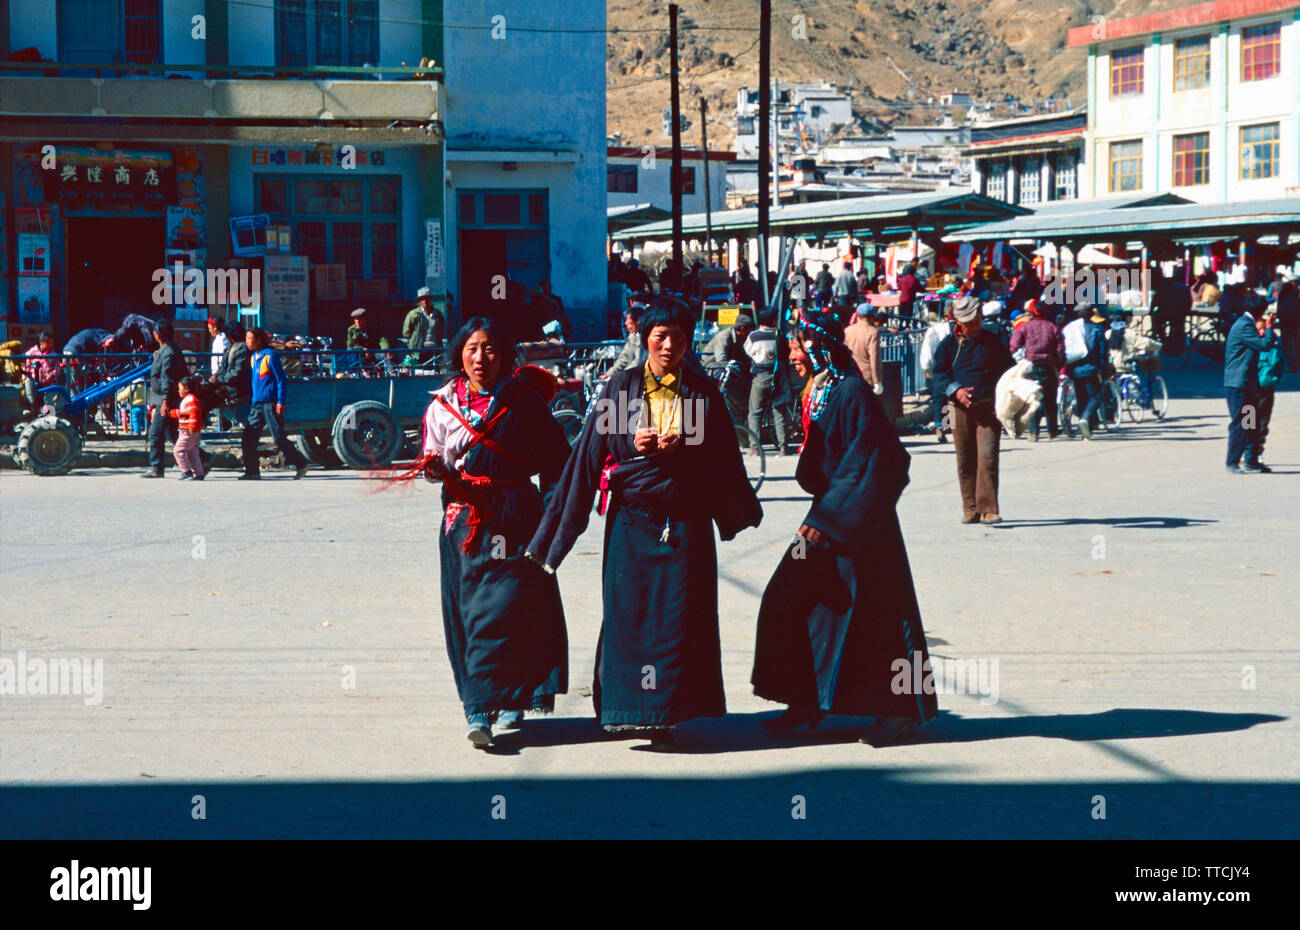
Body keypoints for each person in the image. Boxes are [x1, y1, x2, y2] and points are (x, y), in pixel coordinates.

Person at [527, 297, 763, 748]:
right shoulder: (621, 389)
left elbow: (723, 462)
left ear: (690, 339)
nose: (669, 344)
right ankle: (627, 710)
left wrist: (688, 455)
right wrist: (632, 443)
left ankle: (667, 714)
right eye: (660, 336)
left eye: (678, 336)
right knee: (629, 618)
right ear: (644, 339)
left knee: (677, 620)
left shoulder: (701, 392)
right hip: (632, 525)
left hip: (684, 523)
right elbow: (590, 458)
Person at [751, 307, 938, 745]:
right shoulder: (824, 391)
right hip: (830, 513)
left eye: (798, 346)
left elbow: (877, 460)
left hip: (860, 523)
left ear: (817, 347)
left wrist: (828, 519)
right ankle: (807, 699)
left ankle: (899, 710)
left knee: (881, 618)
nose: (792, 354)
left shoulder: (852, 393)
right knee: (795, 599)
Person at [405, 318, 572, 746]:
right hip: (466, 520)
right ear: (459, 354)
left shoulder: (525, 403)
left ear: (506, 355)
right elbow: (432, 460)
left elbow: (559, 460)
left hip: (516, 515)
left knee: (511, 610)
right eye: (472, 349)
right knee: (471, 612)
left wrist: (553, 517)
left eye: (491, 348)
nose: (481, 358)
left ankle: (511, 700)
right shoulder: (442, 406)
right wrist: (435, 471)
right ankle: (477, 708)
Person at [932, 296, 1014, 523]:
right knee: (964, 460)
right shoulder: (947, 345)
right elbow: (938, 376)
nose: (974, 324)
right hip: (956, 410)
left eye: (976, 318)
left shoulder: (992, 341)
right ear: (958, 322)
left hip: (988, 410)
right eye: (968, 321)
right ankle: (970, 509)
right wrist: (955, 390)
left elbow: (1008, 369)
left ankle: (989, 509)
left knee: (987, 458)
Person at [240, 327, 309, 480]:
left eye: (249, 338)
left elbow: (281, 380)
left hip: (270, 404)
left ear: (258, 340)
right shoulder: (253, 357)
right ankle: (252, 471)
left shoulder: (270, 356)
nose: (247, 341)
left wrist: (280, 400)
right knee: (248, 437)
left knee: (278, 438)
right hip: (257, 404)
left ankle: (301, 464)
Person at [1223, 297, 1279, 475]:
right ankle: (1232, 461)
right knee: (1240, 424)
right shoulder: (1244, 325)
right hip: (1238, 383)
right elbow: (1264, 345)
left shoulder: (1246, 323)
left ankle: (1251, 460)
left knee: (1251, 423)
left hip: (1247, 383)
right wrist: (1269, 327)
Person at [1008, 298, 1066, 441]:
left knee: (1032, 399)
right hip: (1048, 367)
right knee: (1050, 400)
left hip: (1030, 368)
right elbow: (1060, 350)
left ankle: (1033, 433)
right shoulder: (1052, 327)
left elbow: (1013, 345)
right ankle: (1052, 430)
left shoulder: (1024, 327)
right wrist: (1058, 365)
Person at [140, 320, 189, 478]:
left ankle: (157, 468)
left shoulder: (168, 352)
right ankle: (203, 459)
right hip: (165, 398)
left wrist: (166, 401)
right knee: (173, 434)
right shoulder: (165, 350)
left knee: (155, 433)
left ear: (157, 334)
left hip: (166, 399)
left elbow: (167, 378)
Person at [744, 309, 792, 455]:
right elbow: (785, 353)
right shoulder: (780, 335)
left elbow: (748, 352)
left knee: (755, 412)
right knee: (779, 411)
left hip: (760, 376)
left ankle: (755, 446)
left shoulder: (753, 336)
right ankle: (783, 446)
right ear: (772, 320)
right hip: (778, 376)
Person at [1063, 305, 1111, 440]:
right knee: (1095, 396)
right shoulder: (1097, 328)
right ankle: (1085, 419)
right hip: (1091, 368)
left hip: (1074, 368)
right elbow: (1102, 351)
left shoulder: (1070, 329)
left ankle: (1087, 431)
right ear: (1091, 314)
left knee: (1081, 397)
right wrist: (1103, 366)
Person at [705, 313, 755, 432]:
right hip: (713, 366)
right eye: (749, 329)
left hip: (730, 365)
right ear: (742, 329)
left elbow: (744, 356)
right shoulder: (724, 336)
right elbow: (721, 360)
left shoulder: (742, 338)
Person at [919, 308, 954, 443]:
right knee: (953, 396)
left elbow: (928, 349)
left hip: (938, 368)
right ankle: (950, 425)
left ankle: (940, 425)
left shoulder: (935, 330)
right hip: (955, 367)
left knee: (940, 398)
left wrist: (926, 367)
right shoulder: (962, 328)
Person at [211, 318, 251, 427]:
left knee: (213, 396)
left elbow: (237, 373)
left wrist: (219, 379)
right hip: (229, 384)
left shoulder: (243, 349)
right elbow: (223, 367)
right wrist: (216, 376)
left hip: (238, 387)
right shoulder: (230, 348)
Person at [167, 375, 206, 480]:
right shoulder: (188, 400)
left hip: (188, 432)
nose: (178, 391)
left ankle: (186, 471)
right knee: (193, 454)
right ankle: (199, 473)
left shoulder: (190, 400)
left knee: (178, 451)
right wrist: (171, 413)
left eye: (180, 388)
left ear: (187, 388)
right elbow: (183, 413)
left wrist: (192, 427)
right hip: (192, 431)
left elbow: (194, 414)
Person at [843, 304, 884, 392]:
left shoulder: (847, 330)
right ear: (871, 316)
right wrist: (877, 381)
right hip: (866, 378)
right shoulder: (873, 332)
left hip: (850, 376)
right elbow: (874, 358)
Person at [1150, 269, 1192, 353]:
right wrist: (1186, 310)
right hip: (1180, 313)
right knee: (1178, 327)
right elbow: (1189, 301)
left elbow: (1155, 301)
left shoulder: (1165, 287)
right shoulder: (1184, 287)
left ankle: (1163, 340)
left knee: (1157, 323)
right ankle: (1177, 343)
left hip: (1166, 313)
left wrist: (1152, 310)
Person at [402, 286, 446, 364]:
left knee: (434, 373)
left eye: (426, 299)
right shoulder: (413, 314)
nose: (424, 301)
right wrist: (414, 339)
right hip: (419, 350)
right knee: (419, 372)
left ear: (430, 299)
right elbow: (406, 332)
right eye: (422, 299)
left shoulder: (438, 314)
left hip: (435, 350)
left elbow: (442, 330)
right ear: (419, 301)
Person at [22, 332, 61, 406]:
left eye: (52, 343)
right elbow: (27, 367)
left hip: (48, 382)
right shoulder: (31, 352)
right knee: (32, 401)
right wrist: (28, 378)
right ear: (41, 342)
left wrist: (51, 375)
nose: (51, 345)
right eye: (48, 343)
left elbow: (57, 368)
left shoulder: (54, 355)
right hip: (33, 382)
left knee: (49, 402)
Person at [606, 306, 645, 377]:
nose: (625, 323)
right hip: (630, 375)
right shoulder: (632, 337)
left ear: (638, 321)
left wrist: (623, 375)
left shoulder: (645, 338)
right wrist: (609, 374)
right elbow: (624, 358)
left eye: (627, 319)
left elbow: (639, 361)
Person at [1277, 278, 1300, 372]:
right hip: (1296, 324)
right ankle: (1296, 363)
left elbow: (1279, 313)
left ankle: (1292, 365)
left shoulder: (1282, 299)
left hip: (1285, 325)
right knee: (1296, 345)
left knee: (1289, 346)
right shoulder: (1295, 299)